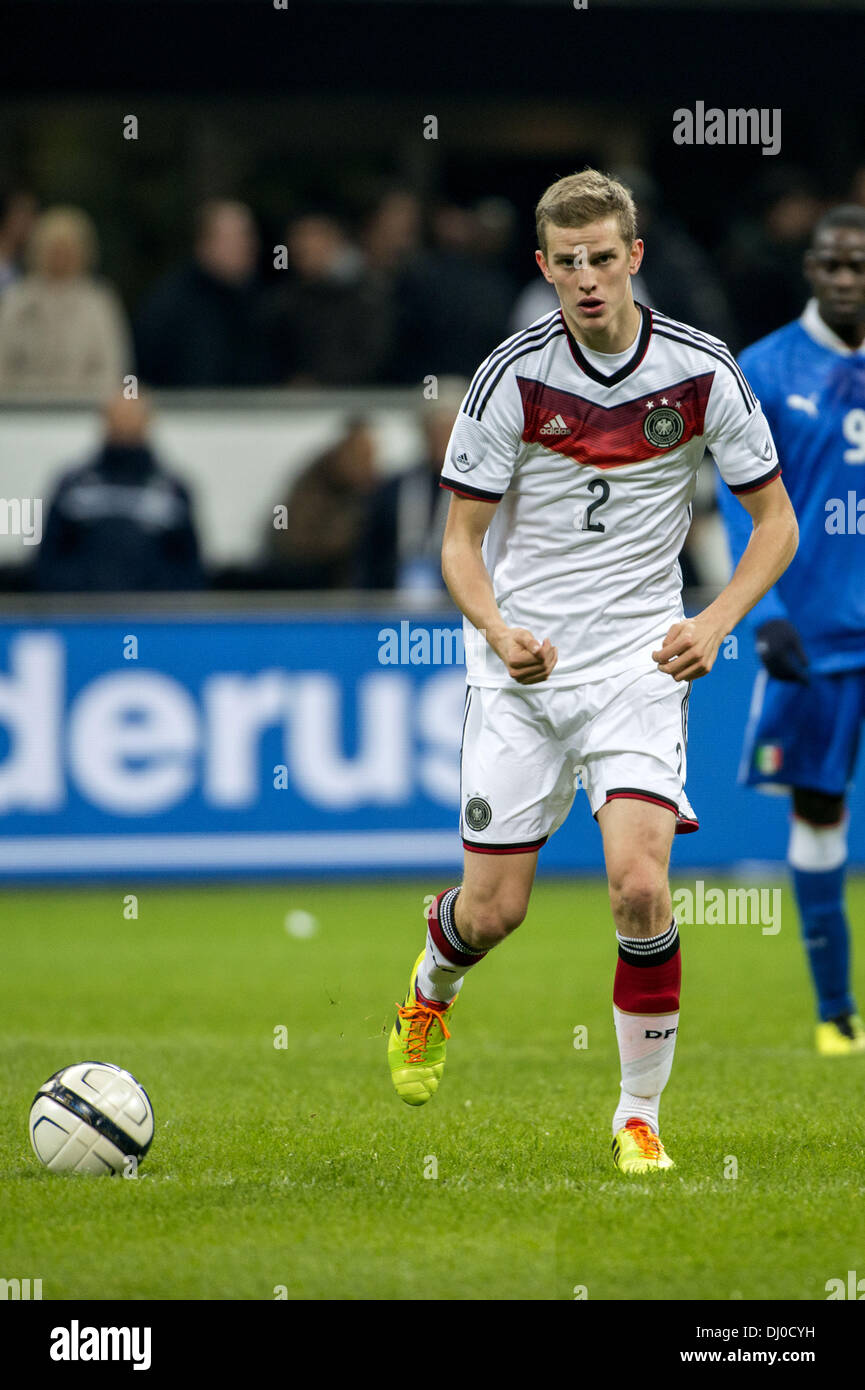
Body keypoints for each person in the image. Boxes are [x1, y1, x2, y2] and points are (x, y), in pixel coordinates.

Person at [386, 168, 798, 1174]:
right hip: (522, 671)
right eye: (565, 261)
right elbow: (456, 545)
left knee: (639, 889)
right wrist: (495, 627)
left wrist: (716, 618)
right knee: (493, 912)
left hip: (637, 663)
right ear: (543, 266)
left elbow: (775, 522)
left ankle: (636, 1115)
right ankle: (432, 984)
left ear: (634, 259)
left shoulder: (702, 371)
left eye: (602, 258)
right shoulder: (510, 377)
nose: (585, 277)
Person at [718, 204, 865, 1056]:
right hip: (816, 639)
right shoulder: (764, 370)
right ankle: (835, 1012)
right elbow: (740, 505)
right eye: (832, 266)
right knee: (819, 814)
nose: (845, 280)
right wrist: (762, 612)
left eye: (858, 267)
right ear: (809, 269)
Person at [35, 392, 205, 592]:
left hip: (154, 616)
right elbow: (47, 560)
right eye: (118, 415)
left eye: (132, 415)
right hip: (82, 614)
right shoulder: (73, 486)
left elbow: (190, 568)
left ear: (148, 421)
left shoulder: (173, 490)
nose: (125, 423)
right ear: (104, 421)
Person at [134, 200, 272, 387]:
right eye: (234, 238)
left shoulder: (263, 302)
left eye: (249, 236)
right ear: (204, 244)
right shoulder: (169, 305)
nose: (247, 246)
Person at [0, 206, 131, 397]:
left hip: (85, 413)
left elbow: (115, 368)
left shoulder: (99, 301)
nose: (61, 256)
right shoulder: (17, 299)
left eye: (68, 248)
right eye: (54, 248)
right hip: (23, 414)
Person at [355, 389, 462, 592]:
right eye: (435, 429)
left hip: (457, 612)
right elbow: (368, 557)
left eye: (449, 428)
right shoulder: (391, 490)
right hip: (390, 608)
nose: (442, 438)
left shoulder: (482, 492)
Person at [266, 417, 378, 589]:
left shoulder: (378, 489)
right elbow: (294, 540)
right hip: (310, 580)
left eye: (370, 457)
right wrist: (350, 535)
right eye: (360, 455)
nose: (368, 465)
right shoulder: (313, 486)